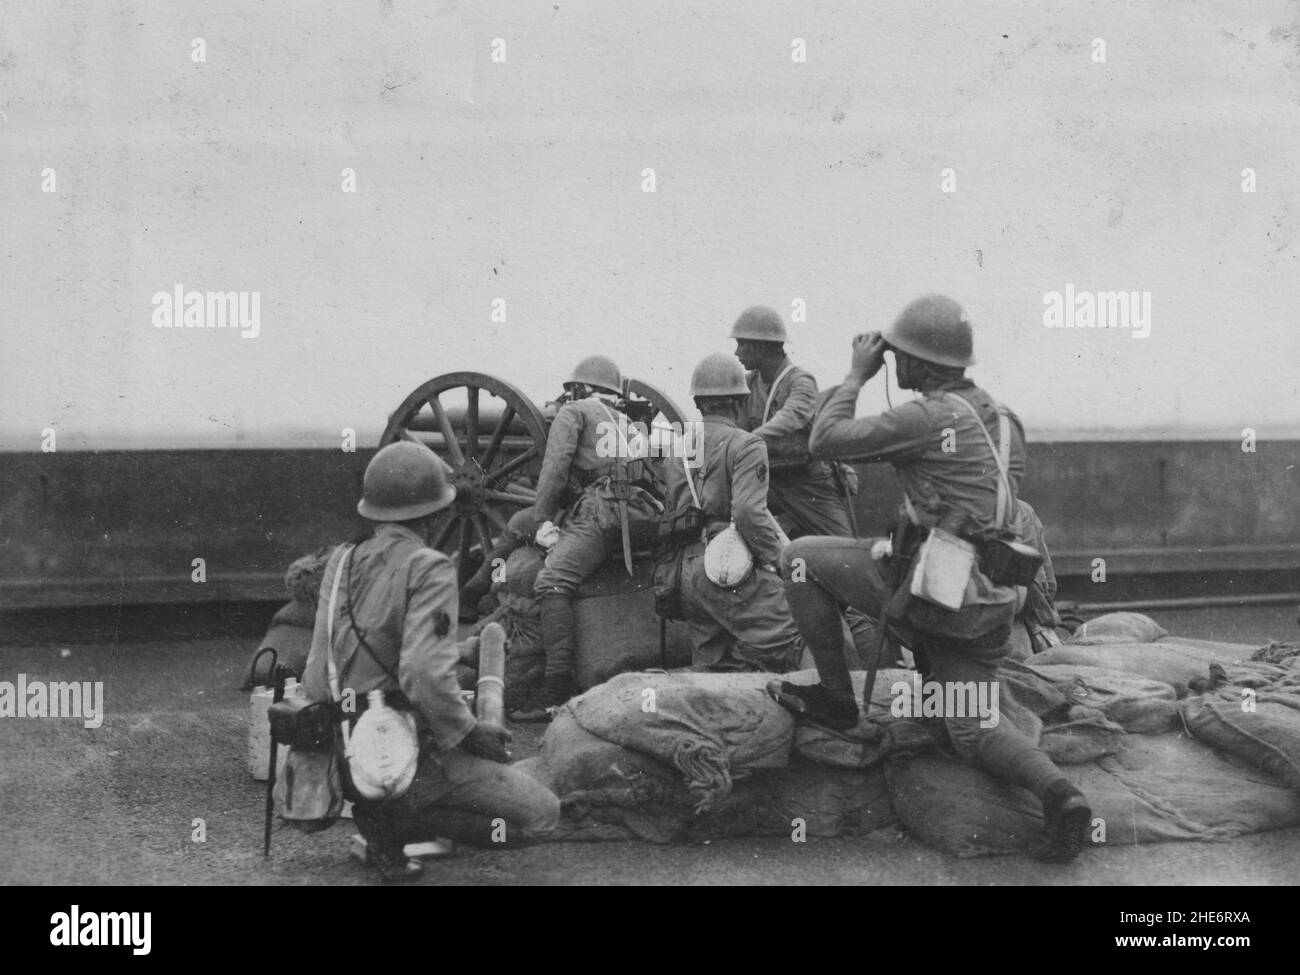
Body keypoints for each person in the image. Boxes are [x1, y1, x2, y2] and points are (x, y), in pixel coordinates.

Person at [769, 294, 1092, 862]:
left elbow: (824, 440)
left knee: (799, 556)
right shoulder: (1002, 417)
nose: (895, 364)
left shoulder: (929, 418)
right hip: (988, 599)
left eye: (901, 355)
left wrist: (856, 373)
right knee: (972, 729)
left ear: (923, 363)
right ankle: (1060, 794)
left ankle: (838, 701)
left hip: (937, 592)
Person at [302, 441, 560, 881]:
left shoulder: (341, 562)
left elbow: (323, 669)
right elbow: (421, 673)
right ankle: (399, 823)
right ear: (436, 512)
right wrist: (469, 733)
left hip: (347, 759)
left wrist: (456, 652)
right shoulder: (429, 567)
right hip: (409, 754)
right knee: (541, 816)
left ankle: (380, 813)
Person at [505, 355, 664, 721]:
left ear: (578, 388)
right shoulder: (630, 422)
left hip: (603, 511)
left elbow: (556, 468)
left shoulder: (574, 412)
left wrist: (543, 519)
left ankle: (554, 692)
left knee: (550, 581)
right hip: (642, 514)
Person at [731, 305, 882, 666]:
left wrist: (748, 442)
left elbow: (793, 417)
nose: (737, 354)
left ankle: (885, 663)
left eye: (742, 346)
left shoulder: (800, 382)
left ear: (763, 346)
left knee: (849, 568)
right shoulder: (750, 385)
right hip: (771, 484)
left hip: (809, 485)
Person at [654, 352, 804, 672]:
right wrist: (782, 560)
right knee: (801, 633)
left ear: (698, 403)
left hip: (687, 572)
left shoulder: (677, 448)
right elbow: (749, 513)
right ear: (740, 402)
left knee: (712, 666)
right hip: (727, 569)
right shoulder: (747, 445)